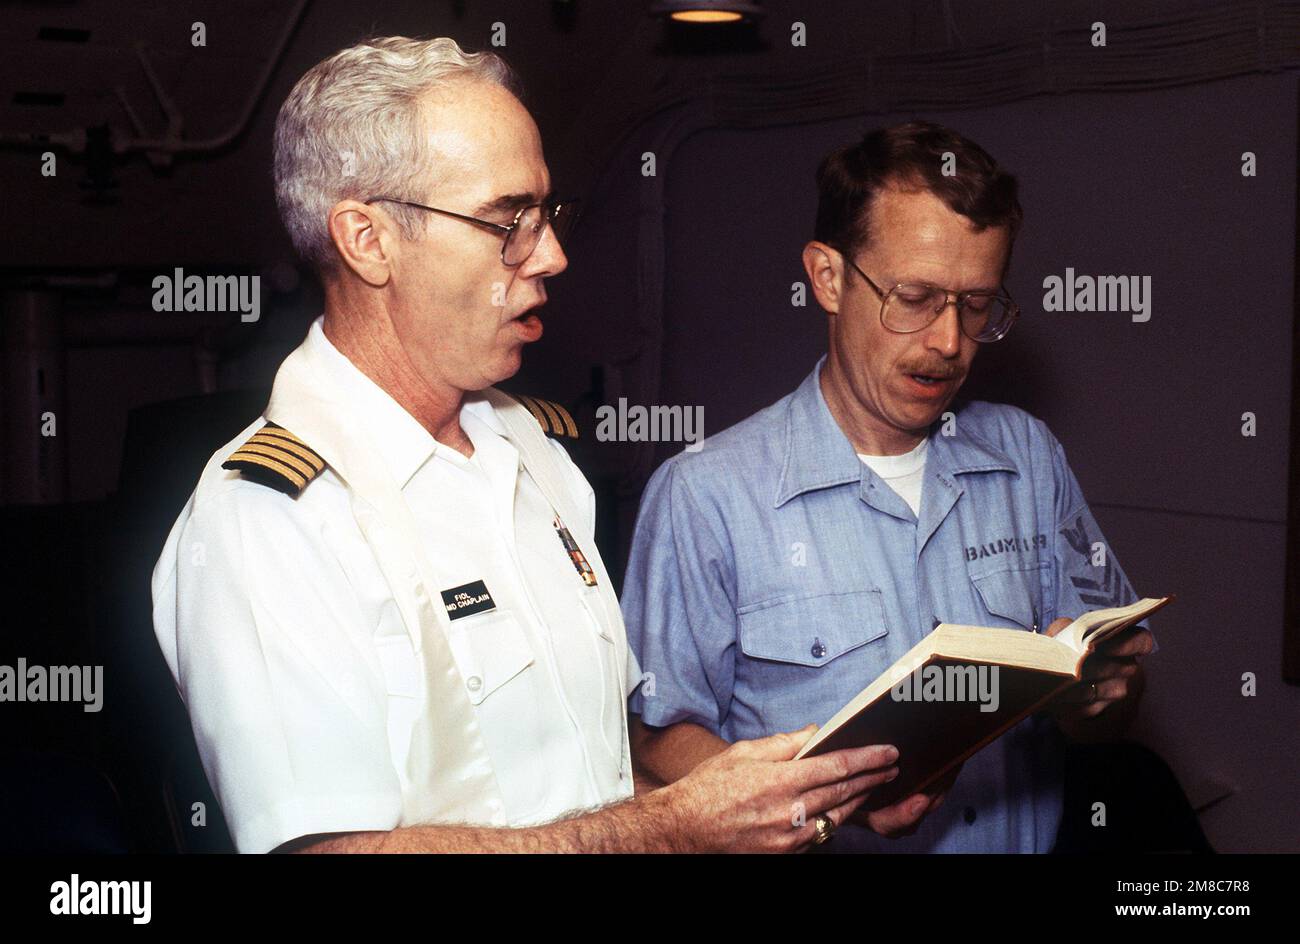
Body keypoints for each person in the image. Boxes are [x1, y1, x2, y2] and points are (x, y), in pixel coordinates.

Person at [151, 36, 895, 854]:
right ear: (368, 241)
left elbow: (592, 779)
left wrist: (781, 793)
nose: (552, 256)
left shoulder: (534, 453)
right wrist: (672, 830)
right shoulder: (266, 520)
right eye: (509, 221)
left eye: (548, 215)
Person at [623, 121, 1156, 853]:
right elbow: (657, 741)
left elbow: (1105, 710)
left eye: (977, 305)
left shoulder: (1029, 457)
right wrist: (812, 808)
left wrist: (1098, 698)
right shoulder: (704, 495)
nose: (947, 342)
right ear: (828, 277)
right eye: (914, 297)